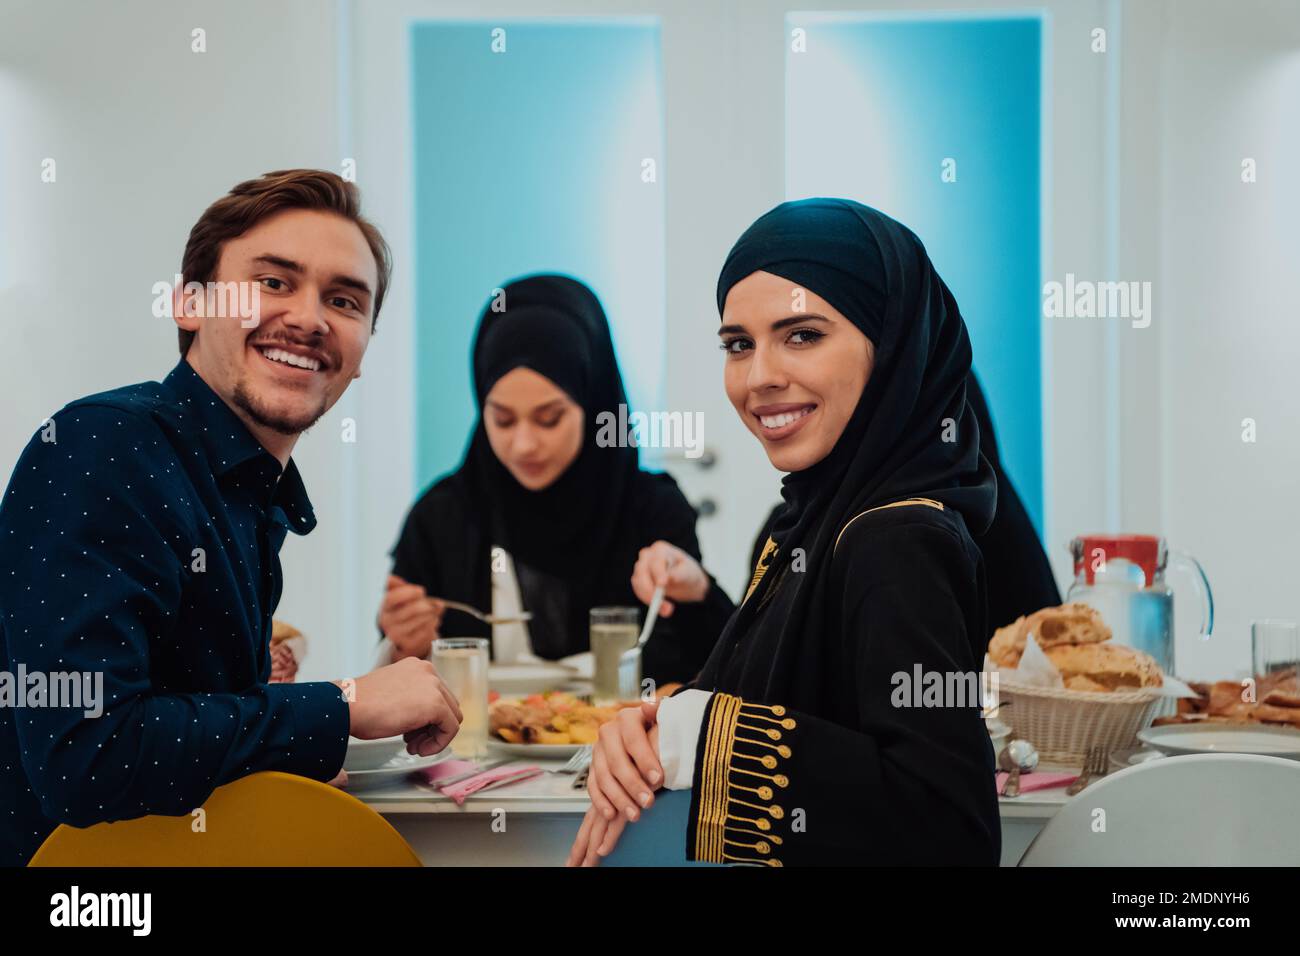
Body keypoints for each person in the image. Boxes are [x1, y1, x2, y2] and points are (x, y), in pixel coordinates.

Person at [0, 170, 461, 867]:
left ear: (363, 349)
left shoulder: (245, 491)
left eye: (343, 300)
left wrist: (285, 753)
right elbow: (87, 754)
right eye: (274, 282)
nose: (309, 318)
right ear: (188, 303)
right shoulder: (104, 446)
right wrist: (341, 707)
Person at [569, 198, 1002, 866]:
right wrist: (657, 721)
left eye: (802, 335)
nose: (760, 377)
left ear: (888, 347)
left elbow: (951, 829)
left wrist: (702, 734)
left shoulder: (896, 539)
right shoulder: (814, 524)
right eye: (739, 344)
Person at [377, 275, 733, 685]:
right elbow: (399, 680)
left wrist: (699, 592)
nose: (524, 445)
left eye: (550, 419)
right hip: (473, 747)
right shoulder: (442, 516)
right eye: (502, 419)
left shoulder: (651, 509)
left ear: (591, 400)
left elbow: (716, 663)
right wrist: (404, 643)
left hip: (621, 746)